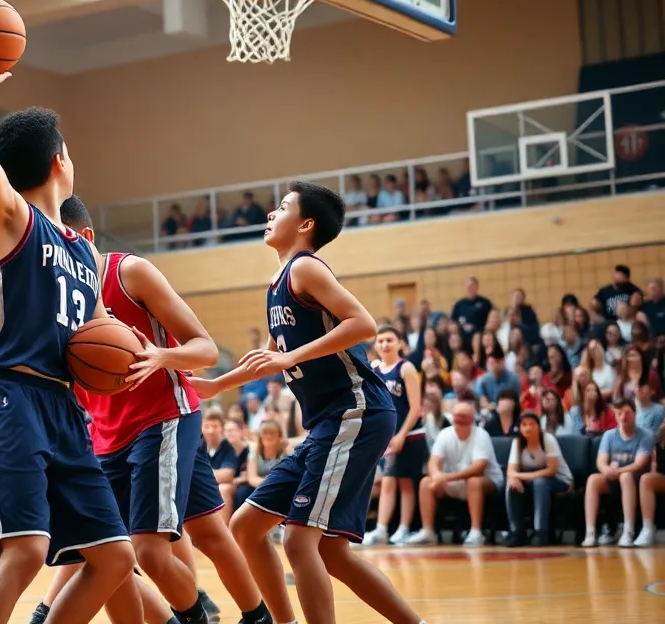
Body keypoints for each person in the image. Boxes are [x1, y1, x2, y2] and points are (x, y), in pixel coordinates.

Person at [0, 40, 138, 624]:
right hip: (11, 395)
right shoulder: (15, 222)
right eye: (69, 150)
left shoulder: (81, 249)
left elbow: (98, 326)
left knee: (114, 555)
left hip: (64, 407)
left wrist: (141, 356)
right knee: (25, 550)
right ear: (58, 162)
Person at [191, 182, 423, 624]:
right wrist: (216, 385)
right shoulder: (277, 284)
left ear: (305, 224)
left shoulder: (305, 269)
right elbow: (272, 359)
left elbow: (364, 324)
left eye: (281, 207)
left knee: (300, 541)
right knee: (252, 528)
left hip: (356, 410)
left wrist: (291, 356)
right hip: (329, 423)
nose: (270, 214)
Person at [42, 196, 269, 624]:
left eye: (62, 241)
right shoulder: (57, 294)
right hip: (106, 435)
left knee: (145, 549)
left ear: (86, 237)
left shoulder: (130, 272)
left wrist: (160, 357)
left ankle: (193, 618)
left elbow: (203, 347)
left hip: (164, 418)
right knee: (205, 535)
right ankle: (260, 618)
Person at [405, 401, 502, 546]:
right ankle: (428, 532)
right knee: (426, 482)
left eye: (463, 416)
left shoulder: (481, 435)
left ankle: (476, 532)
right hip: (454, 482)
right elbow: (433, 462)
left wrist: (446, 477)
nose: (459, 419)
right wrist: (436, 475)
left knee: (474, 481)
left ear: (471, 419)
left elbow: (479, 468)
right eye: (456, 415)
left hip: (486, 481)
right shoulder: (445, 434)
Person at [361, 326, 425, 546]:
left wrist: (401, 435)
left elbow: (416, 408)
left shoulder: (406, 368)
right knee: (388, 482)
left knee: (404, 483)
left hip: (411, 433)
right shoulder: (374, 368)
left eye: (389, 340)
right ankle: (382, 529)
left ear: (400, 343)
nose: (384, 345)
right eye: (380, 341)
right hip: (387, 436)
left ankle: (403, 529)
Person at [582, 399, 653, 548]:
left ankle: (629, 531)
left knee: (625, 476)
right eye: (619, 413)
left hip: (635, 481)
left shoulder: (646, 435)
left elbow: (639, 464)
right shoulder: (609, 435)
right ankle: (590, 532)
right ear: (615, 415)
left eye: (627, 413)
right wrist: (606, 470)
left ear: (635, 414)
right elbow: (600, 462)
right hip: (613, 479)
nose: (623, 417)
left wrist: (617, 471)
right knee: (593, 479)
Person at [504, 411, 572, 546]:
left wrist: (520, 476)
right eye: (524, 425)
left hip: (560, 480)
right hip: (532, 481)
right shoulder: (517, 442)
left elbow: (552, 470)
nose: (528, 428)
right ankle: (517, 532)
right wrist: (514, 478)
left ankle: (541, 532)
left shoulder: (548, 439)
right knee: (512, 485)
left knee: (539, 483)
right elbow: (511, 471)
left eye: (531, 424)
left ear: (538, 427)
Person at [633, 421, 665, 546]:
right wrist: (653, 471)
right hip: (662, 476)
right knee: (646, 479)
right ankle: (647, 529)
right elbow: (654, 462)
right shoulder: (660, 433)